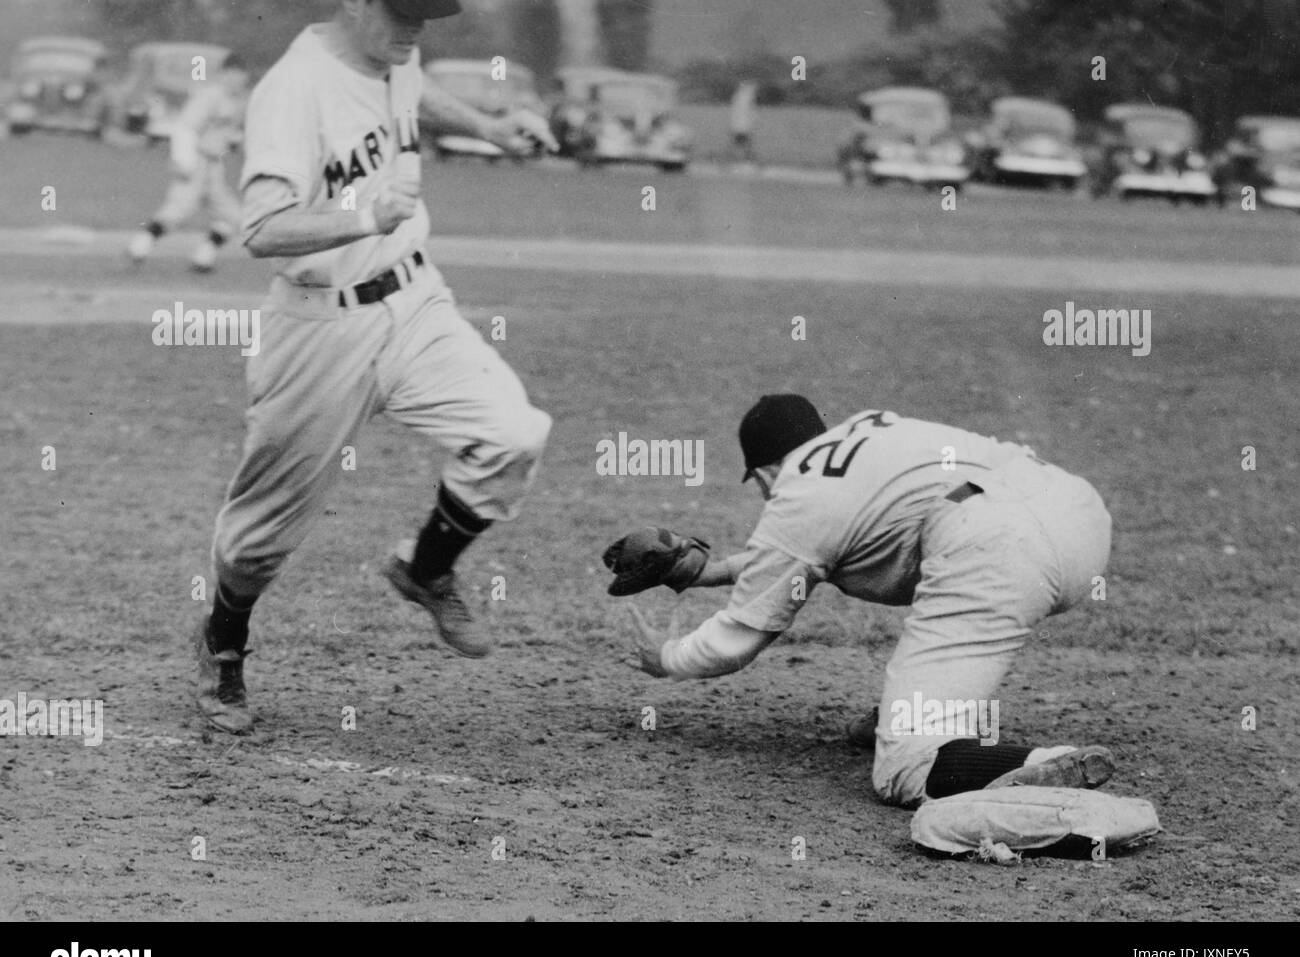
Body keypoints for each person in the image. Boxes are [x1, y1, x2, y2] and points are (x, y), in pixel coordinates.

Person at [194, 0, 558, 734]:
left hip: (415, 299)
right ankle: (222, 637)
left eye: (427, 13)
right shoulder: (294, 90)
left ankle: (424, 568)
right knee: (261, 539)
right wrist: (366, 217)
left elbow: (414, 93)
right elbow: (261, 229)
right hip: (319, 325)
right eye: (404, 12)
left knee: (513, 434)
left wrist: (489, 128)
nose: (417, 27)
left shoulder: (393, 52)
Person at [627, 393, 1117, 806]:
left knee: (906, 767)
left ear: (765, 472)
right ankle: (922, 709)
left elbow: (740, 634)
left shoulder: (799, 494)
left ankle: (1048, 765)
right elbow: (809, 551)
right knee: (951, 560)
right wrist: (709, 574)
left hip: (997, 543)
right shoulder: (868, 437)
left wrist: (667, 658)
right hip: (1075, 515)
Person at [127, 53, 251, 272]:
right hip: (196, 159)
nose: (238, 80)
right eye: (234, 74)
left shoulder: (239, 100)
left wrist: (235, 141)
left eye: (242, 75)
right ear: (224, 73)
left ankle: (204, 256)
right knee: (178, 210)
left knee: (233, 215)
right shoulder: (210, 95)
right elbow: (185, 128)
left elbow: (231, 132)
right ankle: (139, 246)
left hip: (214, 164)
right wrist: (183, 160)